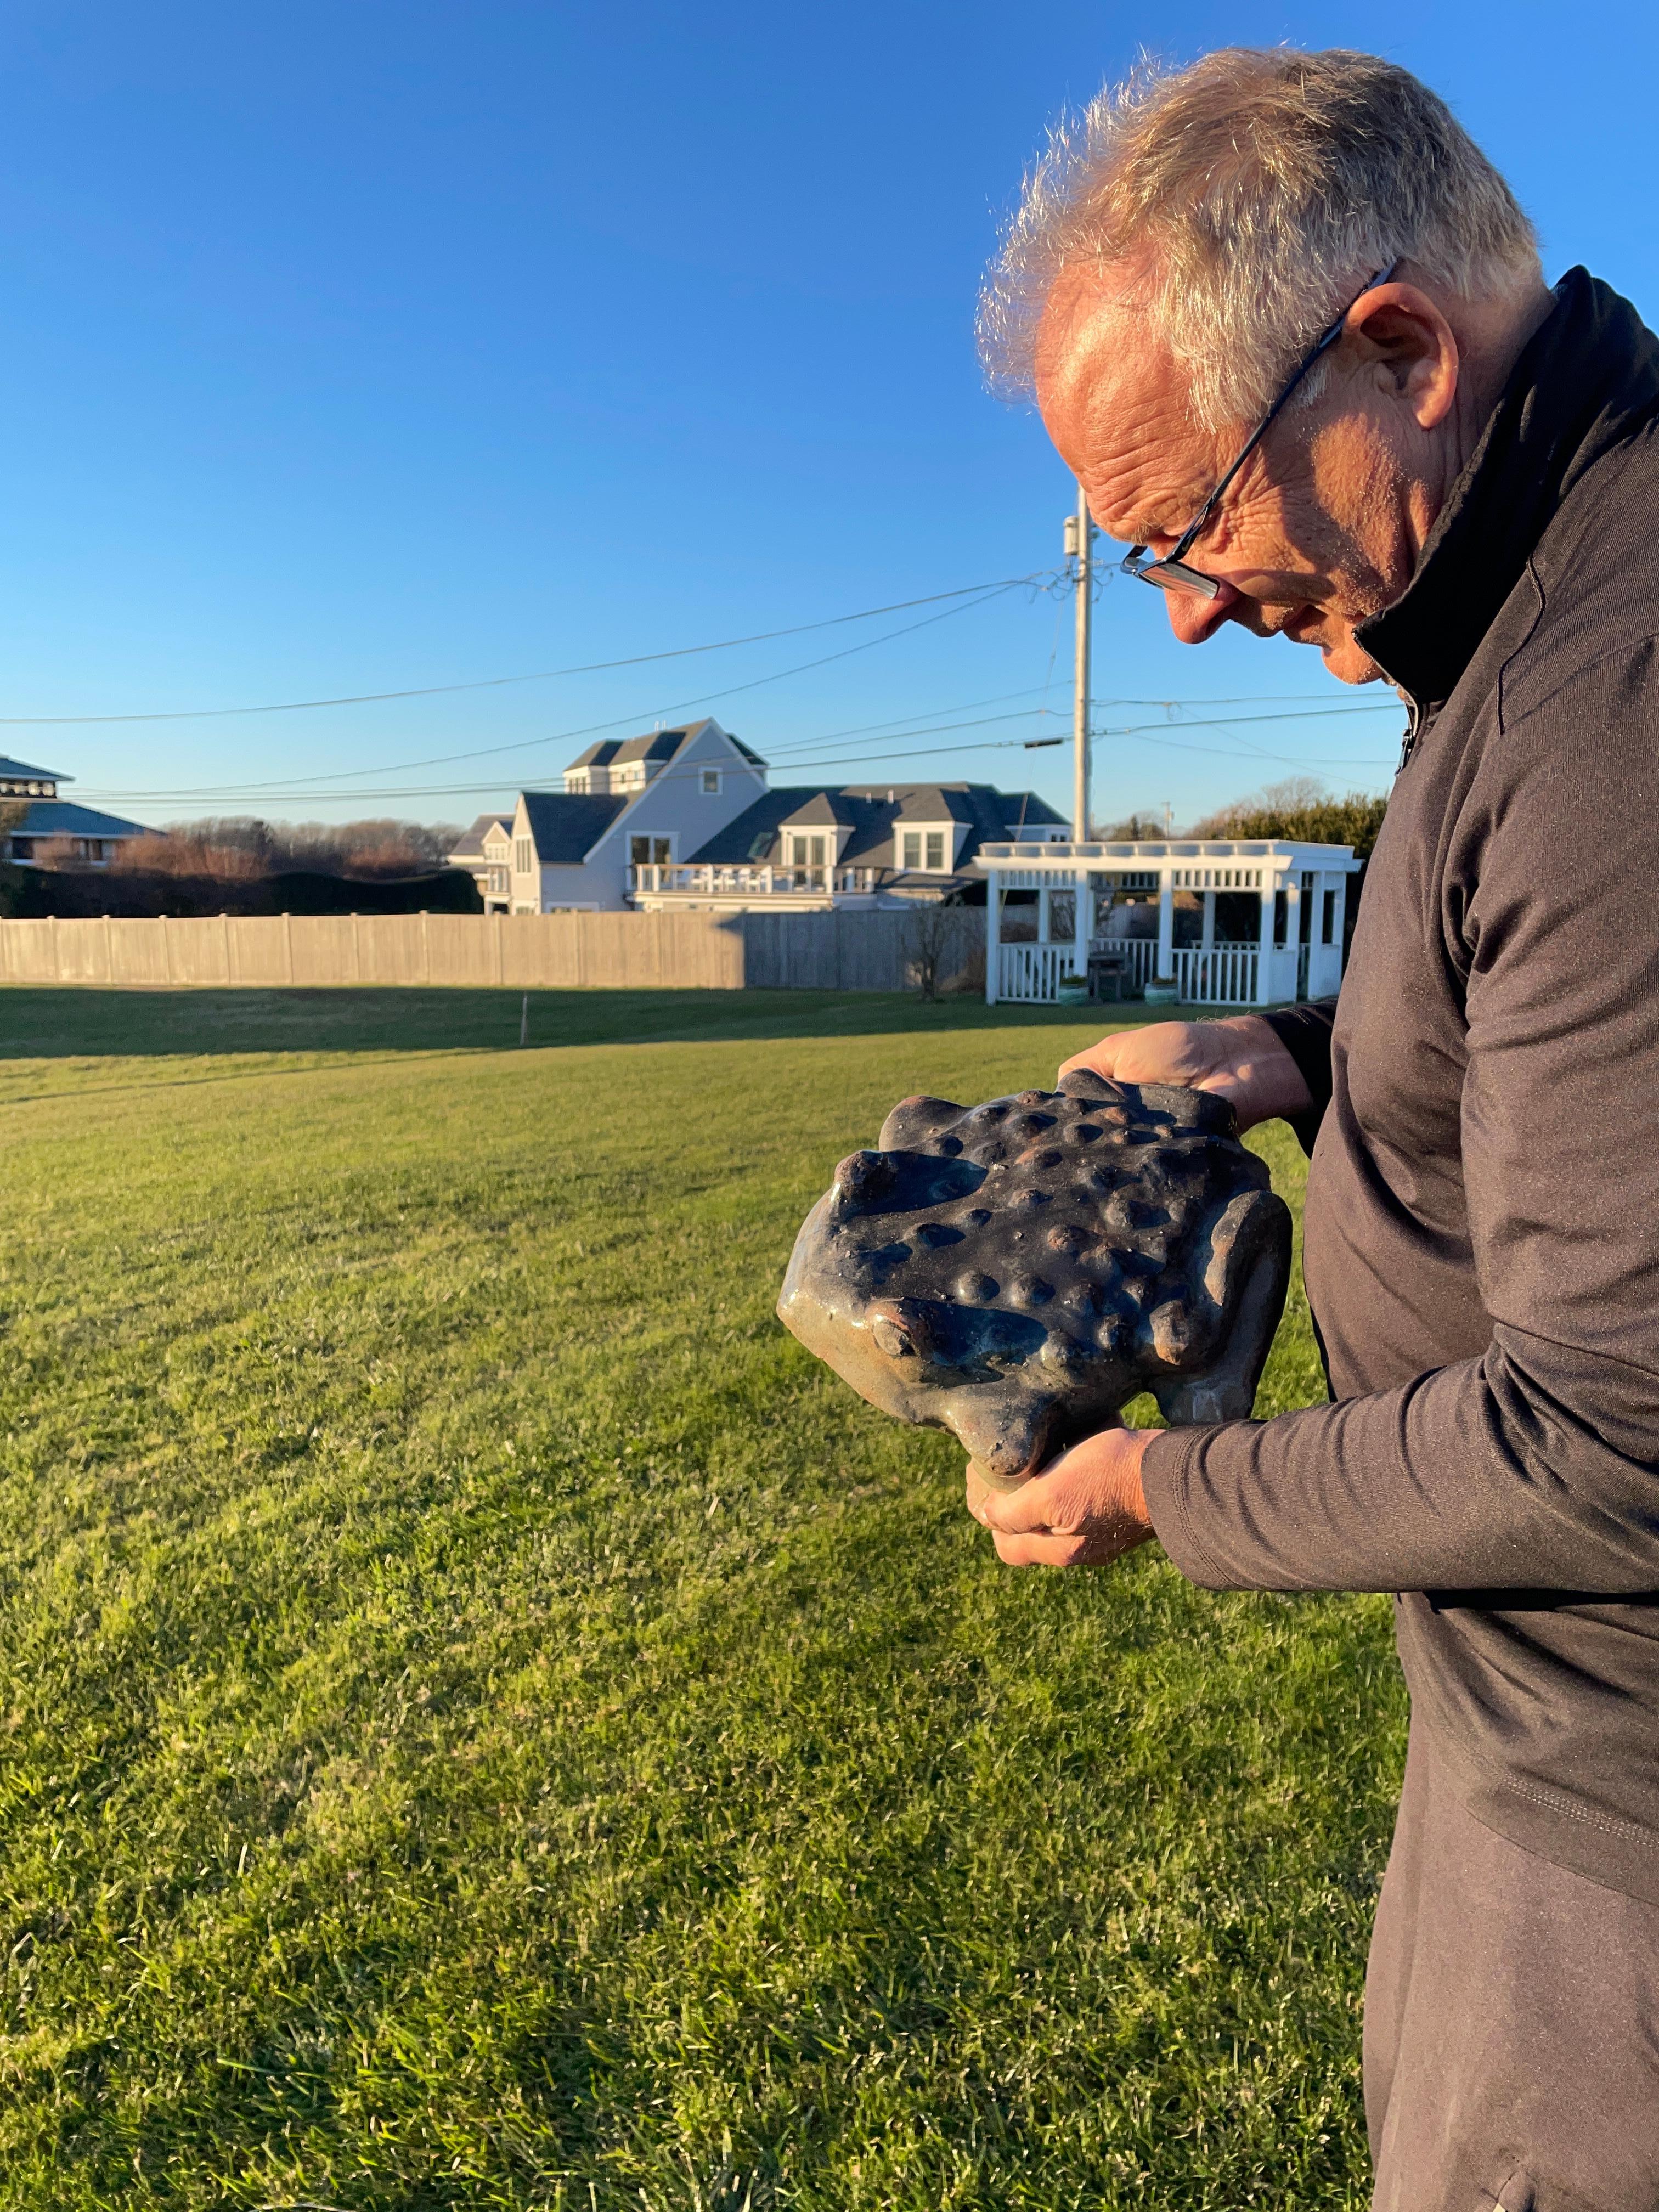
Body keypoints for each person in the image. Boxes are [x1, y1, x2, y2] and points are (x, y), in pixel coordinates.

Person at [973, 46, 1659, 2212]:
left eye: (1188, 525)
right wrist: (1282, 1046)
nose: (1178, 606)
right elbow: (1517, 981)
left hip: (1616, 1839)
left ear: (1397, 351)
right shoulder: (1525, 610)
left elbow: (1617, 1442)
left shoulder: (1609, 700)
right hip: (1528, 1743)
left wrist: (1167, 1491)